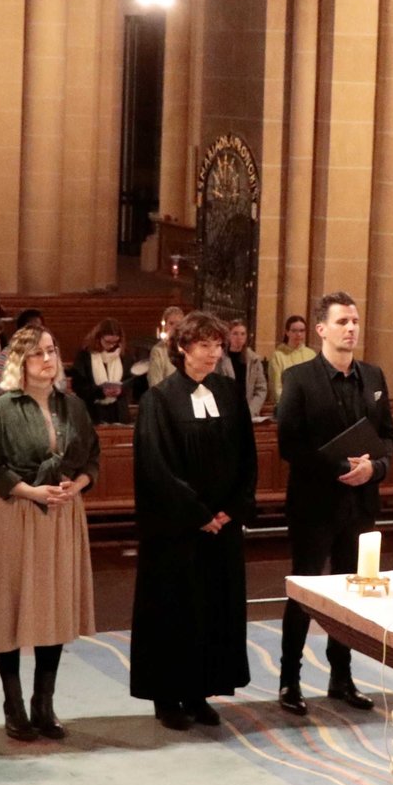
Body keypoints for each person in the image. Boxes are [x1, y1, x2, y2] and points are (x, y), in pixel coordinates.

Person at [130, 309, 256, 731]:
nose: (213, 354)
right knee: (175, 610)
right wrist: (198, 514)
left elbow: (246, 458)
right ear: (182, 348)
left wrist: (229, 510)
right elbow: (157, 465)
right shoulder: (160, 399)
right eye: (204, 345)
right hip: (177, 532)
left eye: (218, 346)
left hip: (220, 528)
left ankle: (200, 692)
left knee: (212, 610)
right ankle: (167, 697)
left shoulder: (229, 393)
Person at [0, 327, 98, 741]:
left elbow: (91, 458)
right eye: (38, 353)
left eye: (52, 350)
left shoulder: (73, 406)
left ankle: (44, 705)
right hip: (17, 512)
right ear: (20, 363)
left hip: (62, 515)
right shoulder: (4, 408)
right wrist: (29, 490)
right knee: (10, 606)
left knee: (52, 607)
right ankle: (14, 706)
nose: (48, 359)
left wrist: (75, 486)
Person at [275, 292, 393, 715]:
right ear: (322, 329)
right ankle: (289, 680)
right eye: (342, 321)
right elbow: (289, 444)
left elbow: (388, 440)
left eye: (356, 321)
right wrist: (340, 464)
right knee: (305, 593)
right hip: (315, 503)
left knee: (348, 592)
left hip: (360, 504)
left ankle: (340, 678)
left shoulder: (374, 377)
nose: (351, 328)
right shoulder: (300, 378)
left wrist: (374, 470)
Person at [69, 318, 131, 425]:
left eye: (115, 342)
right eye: (108, 342)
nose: (112, 345)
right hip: (93, 411)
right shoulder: (85, 355)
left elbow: (130, 380)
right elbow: (78, 386)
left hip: (118, 412)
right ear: (98, 338)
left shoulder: (124, 355)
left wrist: (121, 389)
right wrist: (100, 391)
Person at [221, 320, 271, 418]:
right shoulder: (220, 359)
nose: (239, 337)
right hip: (226, 411)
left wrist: (252, 410)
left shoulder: (254, 360)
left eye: (242, 334)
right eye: (235, 333)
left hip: (248, 411)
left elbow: (261, 388)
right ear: (228, 336)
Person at [265, 315, 316, 408]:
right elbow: (276, 388)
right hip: (286, 407)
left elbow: (315, 384)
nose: (298, 334)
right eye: (294, 331)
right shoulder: (278, 355)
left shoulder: (311, 355)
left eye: (302, 331)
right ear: (287, 332)